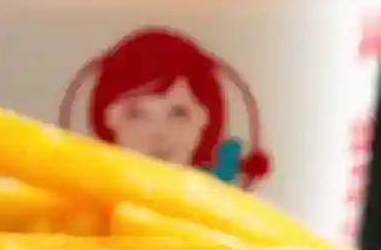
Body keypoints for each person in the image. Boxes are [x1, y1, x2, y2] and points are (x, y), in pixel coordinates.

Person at [60, 28, 270, 189]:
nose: (160, 134)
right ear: (109, 120)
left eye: (179, 114)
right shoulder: (97, 189)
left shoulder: (211, 189)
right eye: (136, 115)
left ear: (205, 119)